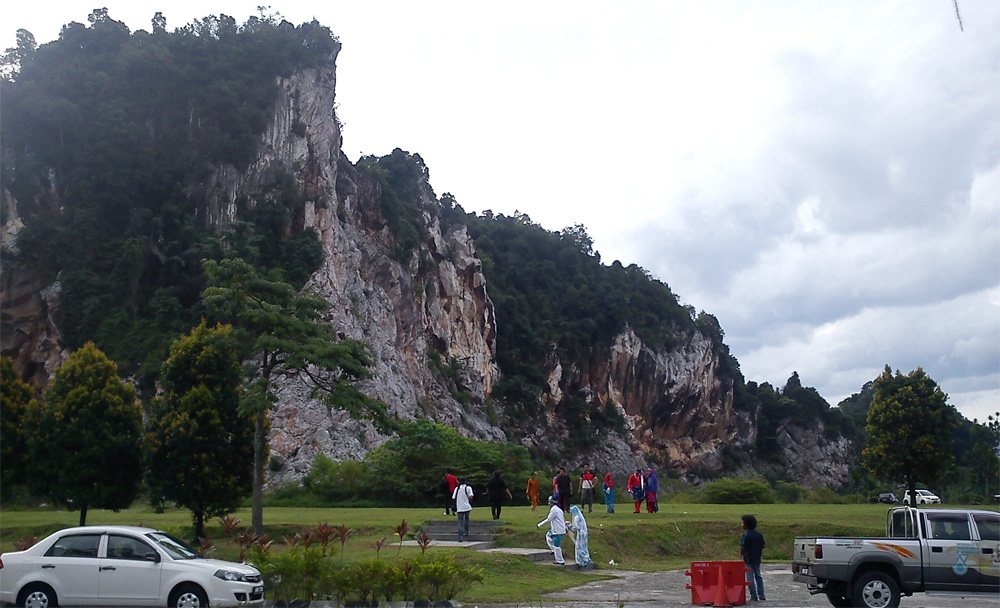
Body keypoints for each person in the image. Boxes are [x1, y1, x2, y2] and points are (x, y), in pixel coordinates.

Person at [740, 514, 766, 601]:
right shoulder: (759, 534)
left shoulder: (745, 534)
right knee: (758, 575)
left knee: (749, 576)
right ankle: (761, 595)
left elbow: (743, 546)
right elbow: (763, 545)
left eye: (743, 523)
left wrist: (742, 553)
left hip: (748, 559)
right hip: (757, 558)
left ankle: (753, 596)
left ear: (746, 525)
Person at [537, 495, 567, 565]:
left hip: (557, 531)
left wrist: (540, 525)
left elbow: (549, 519)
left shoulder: (554, 510)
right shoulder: (559, 509)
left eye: (549, 502)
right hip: (558, 530)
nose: (548, 503)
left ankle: (560, 560)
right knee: (548, 536)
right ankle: (553, 550)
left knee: (557, 546)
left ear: (552, 503)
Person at [452, 477, 474, 542]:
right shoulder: (468, 488)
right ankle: (466, 532)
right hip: (467, 507)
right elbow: (471, 497)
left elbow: (453, 498)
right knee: (467, 519)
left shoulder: (457, 489)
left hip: (459, 507)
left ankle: (460, 537)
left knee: (460, 522)